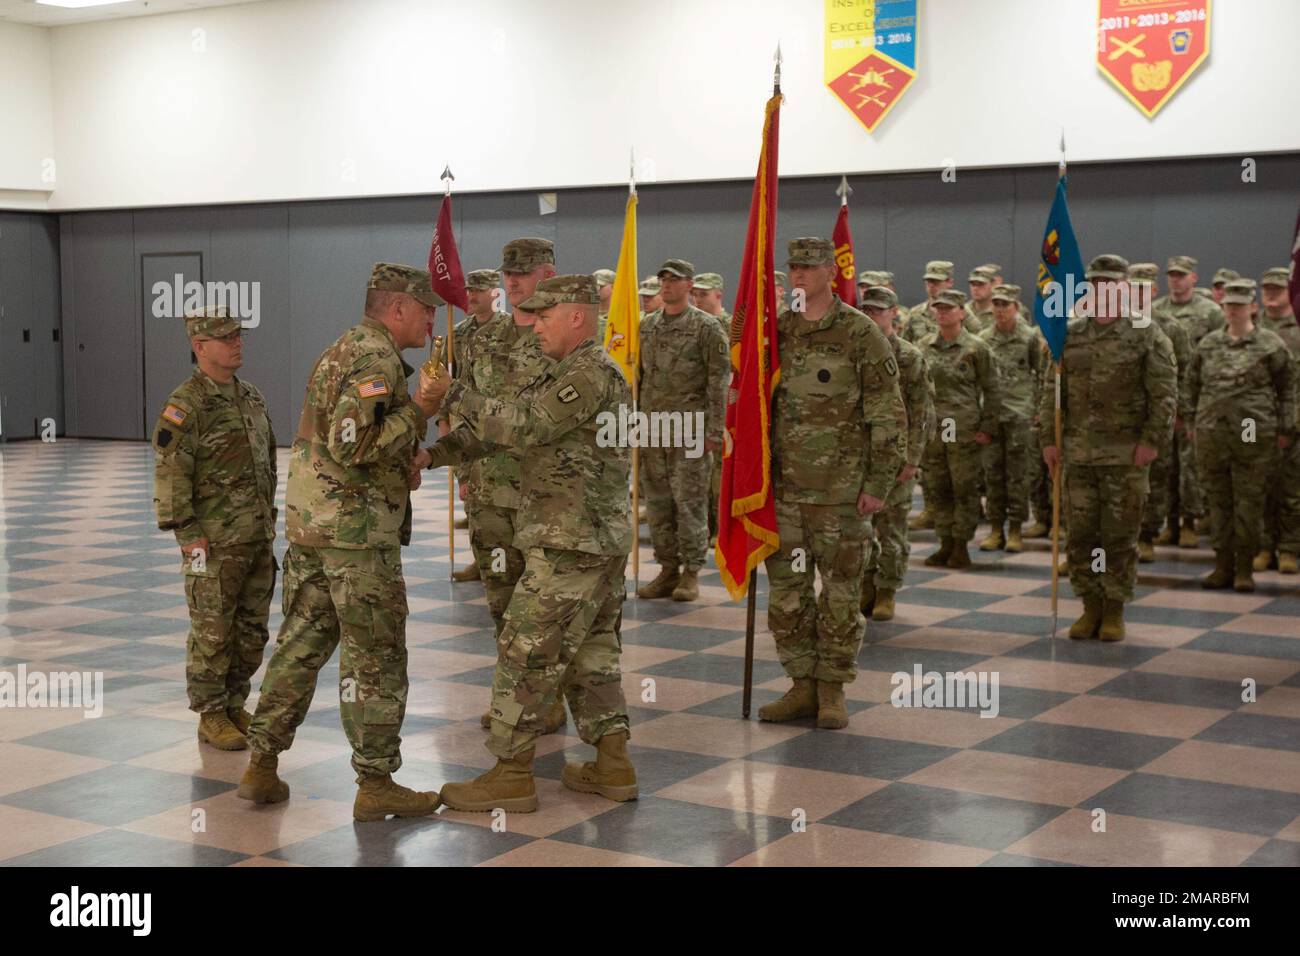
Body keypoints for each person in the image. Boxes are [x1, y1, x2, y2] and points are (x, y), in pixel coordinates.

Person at [237, 263, 448, 822]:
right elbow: (354, 444)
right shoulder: (375, 359)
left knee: (300, 644)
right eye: (425, 308)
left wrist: (401, 459)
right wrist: (422, 409)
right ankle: (376, 782)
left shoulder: (342, 348)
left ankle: (262, 762)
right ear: (396, 308)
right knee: (375, 656)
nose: (432, 319)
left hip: (315, 527)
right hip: (354, 538)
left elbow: (345, 442)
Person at [420, 275, 636, 812]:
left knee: (524, 650)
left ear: (578, 318)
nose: (534, 324)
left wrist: (455, 393)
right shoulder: (567, 371)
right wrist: (433, 455)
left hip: (572, 540)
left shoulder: (587, 374)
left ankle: (511, 773)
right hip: (590, 539)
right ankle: (613, 764)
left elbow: (526, 426)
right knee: (592, 654)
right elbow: (500, 430)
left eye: (545, 316)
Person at [759, 238, 906, 729]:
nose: (797, 275)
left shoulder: (860, 333)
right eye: (792, 267)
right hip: (783, 491)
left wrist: (879, 483)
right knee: (787, 595)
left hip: (842, 493)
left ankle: (832, 690)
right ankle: (800, 683)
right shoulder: (776, 332)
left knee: (840, 594)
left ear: (830, 271)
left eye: (807, 267)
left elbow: (888, 414)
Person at [153, 305, 277, 752]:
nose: (237, 343)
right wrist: (188, 535)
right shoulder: (186, 406)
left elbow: (268, 463)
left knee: (251, 629)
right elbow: (171, 474)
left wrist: (269, 520)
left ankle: (234, 702)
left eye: (239, 335)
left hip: (255, 536)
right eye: (226, 338)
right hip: (213, 541)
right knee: (212, 629)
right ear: (199, 346)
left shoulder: (251, 398)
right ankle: (210, 713)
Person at [1041, 254, 1176, 642]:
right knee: (1082, 534)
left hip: (1124, 455)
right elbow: (1051, 390)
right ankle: (1090, 606)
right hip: (1078, 453)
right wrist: (1048, 439)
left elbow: (1164, 394)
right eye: (1096, 283)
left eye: (1110, 283)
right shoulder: (1071, 332)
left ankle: (1114, 608)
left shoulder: (1146, 333)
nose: (1102, 289)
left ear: (1124, 288)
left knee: (1118, 534)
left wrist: (1152, 441)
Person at [1188, 279, 1295, 592]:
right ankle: (1223, 565)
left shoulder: (1271, 345)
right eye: (1229, 305)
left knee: (1248, 500)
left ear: (1253, 307)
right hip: (1212, 433)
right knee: (1218, 501)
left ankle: (1244, 568)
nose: (1233, 310)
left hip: (1252, 432)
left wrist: (1286, 427)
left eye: (1239, 304)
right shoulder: (1208, 344)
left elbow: (1287, 388)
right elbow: (1191, 385)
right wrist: (1193, 423)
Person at [636, 258, 729, 602]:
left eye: (674, 280)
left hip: (690, 430)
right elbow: (640, 379)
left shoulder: (707, 328)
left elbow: (718, 383)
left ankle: (691, 571)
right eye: (663, 279)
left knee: (689, 503)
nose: (666, 285)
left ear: (689, 285)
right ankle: (667, 568)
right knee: (659, 505)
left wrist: (714, 432)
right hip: (652, 429)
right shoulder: (647, 326)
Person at [859, 286, 933, 621]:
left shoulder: (909, 357)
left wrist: (914, 458)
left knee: (891, 528)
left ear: (894, 313)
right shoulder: (854, 352)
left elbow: (922, 413)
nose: (873, 315)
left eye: (879, 310)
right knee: (859, 529)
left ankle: (887, 590)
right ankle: (865, 587)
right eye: (868, 310)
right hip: (857, 457)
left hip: (896, 456)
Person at [918, 290, 1001, 568]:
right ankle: (944, 542)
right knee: (938, 487)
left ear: (962, 313)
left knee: (964, 488)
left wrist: (988, 426)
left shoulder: (976, 348)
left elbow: (992, 389)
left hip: (964, 429)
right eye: (938, 309)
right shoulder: (924, 346)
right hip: (935, 430)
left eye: (949, 309)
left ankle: (961, 544)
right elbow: (916, 390)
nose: (942, 313)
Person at [1152, 255, 1224, 548]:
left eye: (1181, 275)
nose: (1175, 279)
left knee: (1191, 463)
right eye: (1171, 275)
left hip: (1197, 398)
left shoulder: (1210, 312)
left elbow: (1220, 352)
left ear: (1194, 278)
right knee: (1165, 465)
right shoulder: (1157, 311)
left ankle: (1190, 521)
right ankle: (1168, 522)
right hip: (1165, 398)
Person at [1129, 262, 1192, 563]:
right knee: (1122, 480)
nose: (1137, 294)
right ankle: (1118, 539)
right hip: (1123, 418)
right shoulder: (1115, 324)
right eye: (1132, 288)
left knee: (1157, 476)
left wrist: (1181, 413)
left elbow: (1187, 373)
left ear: (1153, 291)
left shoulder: (1170, 327)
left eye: (1143, 288)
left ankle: (1147, 535)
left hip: (1159, 416)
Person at [449, 268, 507, 582]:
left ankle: (504, 561)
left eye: (478, 291)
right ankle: (481, 557)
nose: (470, 296)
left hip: (498, 424)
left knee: (499, 499)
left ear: (494, 294)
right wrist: (446, 418)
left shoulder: (508, 330)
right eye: (468, 290)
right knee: (470, 496)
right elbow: (454, 377)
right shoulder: (459, 331)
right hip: (467, 423)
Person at [978, 284, 1043, 552]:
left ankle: (1015, 529)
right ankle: (996, 529)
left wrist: (1037, 411)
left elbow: (1041, 375)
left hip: (1020, 415)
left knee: (1018, 475)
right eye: (997, 304)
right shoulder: (983, 339)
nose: (1000, 309)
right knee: (993, 475)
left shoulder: (1029, 338)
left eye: (1006, 304)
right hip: (992, 416)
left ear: (1016, 307)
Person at [1254, 267, 1300, 574]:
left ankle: (1289, 549)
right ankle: (1264, 547)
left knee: (1291, 488)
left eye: (1277, 288)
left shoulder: (1298, 327)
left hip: (1293, 420)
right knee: (1259, 487)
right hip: (1256, 422)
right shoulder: (1251, 328)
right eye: (1266, 288)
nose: (1270, 294)